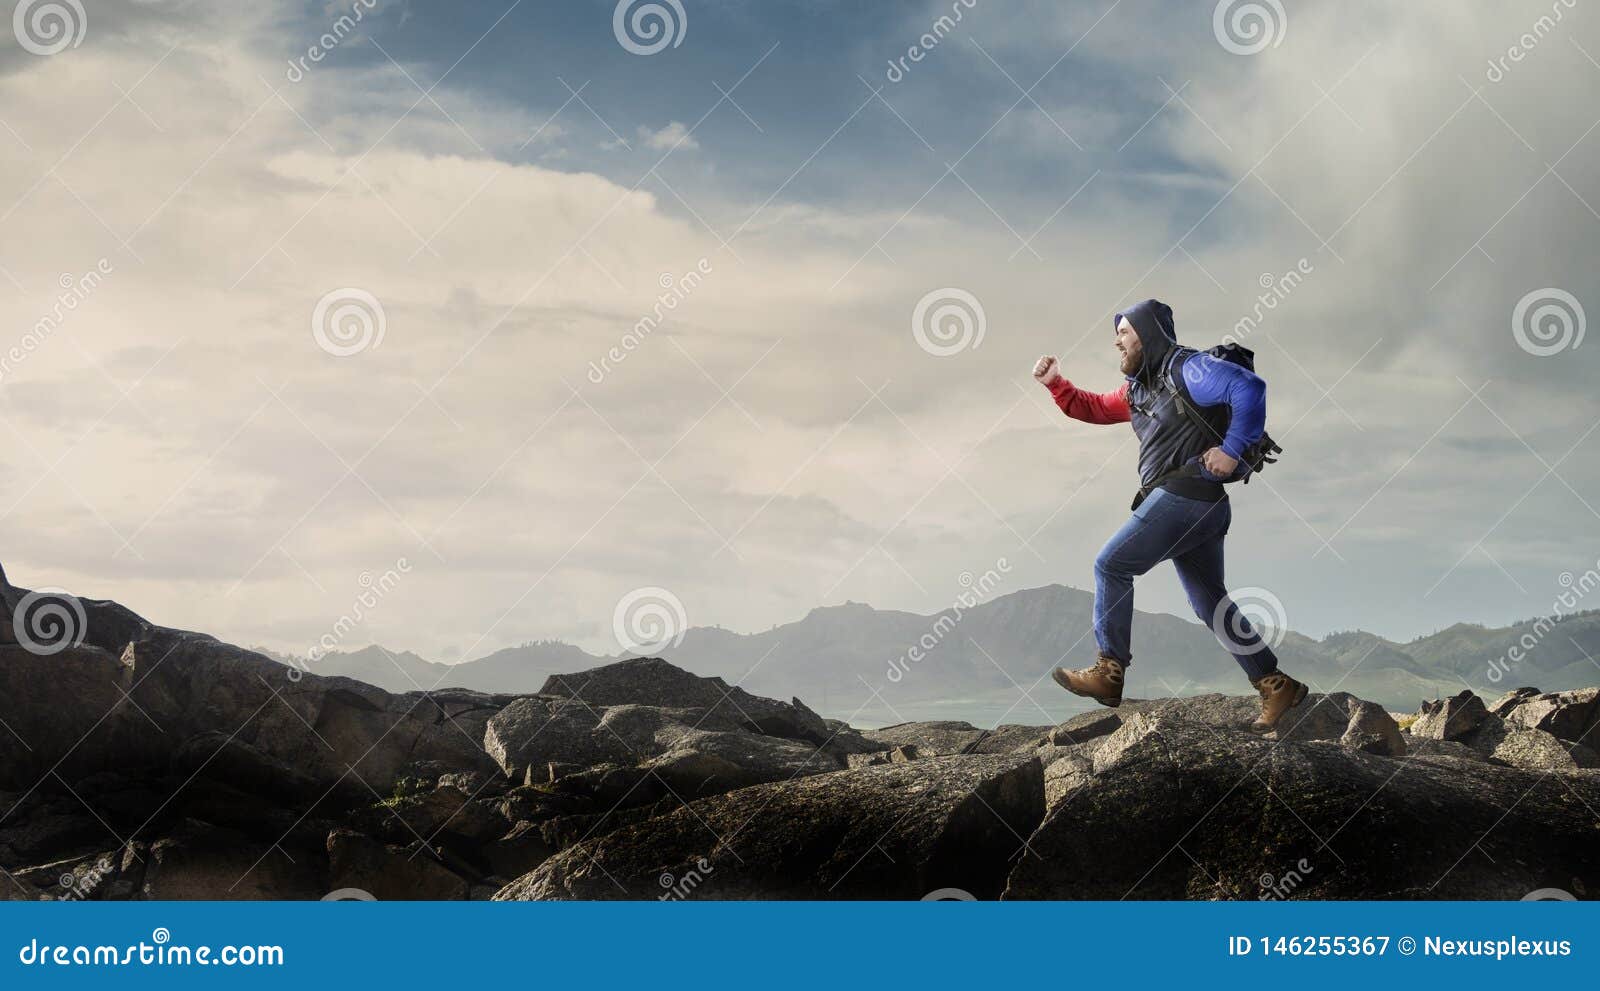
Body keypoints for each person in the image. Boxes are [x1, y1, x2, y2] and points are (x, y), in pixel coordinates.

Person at [1033, 298, 1306, 732]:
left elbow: (1250, 389)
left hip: (1185, 496)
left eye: (1123, 333)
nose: (1116, 342)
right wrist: (1056, 383)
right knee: (1210, 602)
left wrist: (1233, 451)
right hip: (1203, 509)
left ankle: (1110, 671)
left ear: (1147, 333)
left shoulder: (1188, 369)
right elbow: (1095, 408)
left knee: (1112, 564)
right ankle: (1275, 684)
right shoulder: (1140, 390)